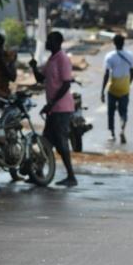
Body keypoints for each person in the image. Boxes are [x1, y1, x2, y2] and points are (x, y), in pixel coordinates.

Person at [29, 31, 78, 187]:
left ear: (58, 42)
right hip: (53, 109)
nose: (47, 42)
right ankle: (38, 173)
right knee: (47, 142)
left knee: (61, 142)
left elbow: (66, 84)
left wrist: (52, 103)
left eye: (50, 40)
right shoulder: (51, 59)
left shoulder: (62, 59)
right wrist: (34, 68)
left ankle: (71, 176)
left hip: (61, 108)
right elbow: (40, 78)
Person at [101, 34, 133, 143]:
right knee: (123, 111)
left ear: (114, 43)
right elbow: (132, 72)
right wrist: (128, 83)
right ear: (123, 43)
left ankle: (112, 133)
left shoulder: (110, 56)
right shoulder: (130, 55)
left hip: (113, 87)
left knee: (111, 112)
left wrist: (102, 90)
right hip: (124, 87)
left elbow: (106, 74)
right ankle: (122, 128)